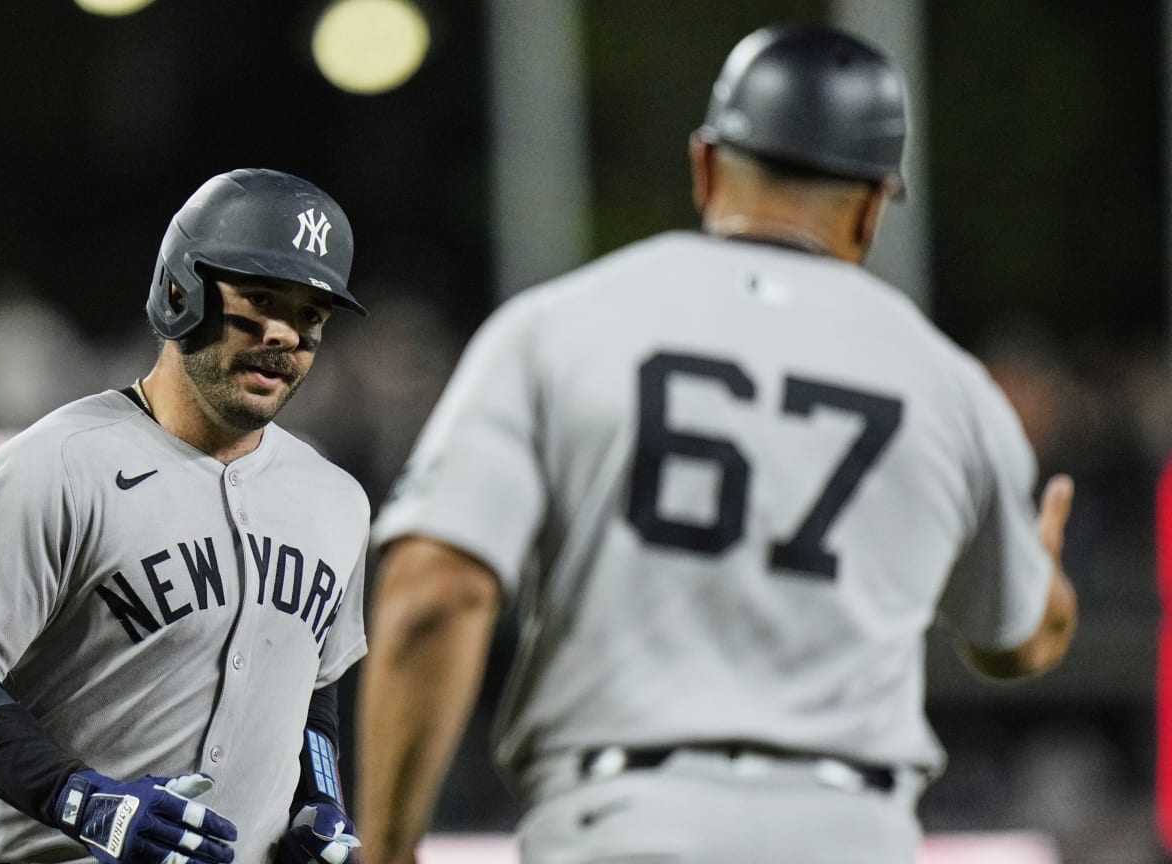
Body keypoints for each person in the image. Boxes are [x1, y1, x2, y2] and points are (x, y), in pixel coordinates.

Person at [359, 24, 1079, 864]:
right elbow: (1021, 638)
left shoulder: (559, 326)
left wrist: (388, 848)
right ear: (875, 204)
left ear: (706, 164)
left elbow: (433, 595)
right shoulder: (952, 385)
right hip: (855, 834)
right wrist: (1047, 579)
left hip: (625, 823)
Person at [0, 168, 369, 864]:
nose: (283, 334)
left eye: (309, 316)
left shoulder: (335, 499)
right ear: (179, 291)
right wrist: (81, 800)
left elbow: (313, 691)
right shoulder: (59, 464)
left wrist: (321, 805)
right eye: (259, 299)